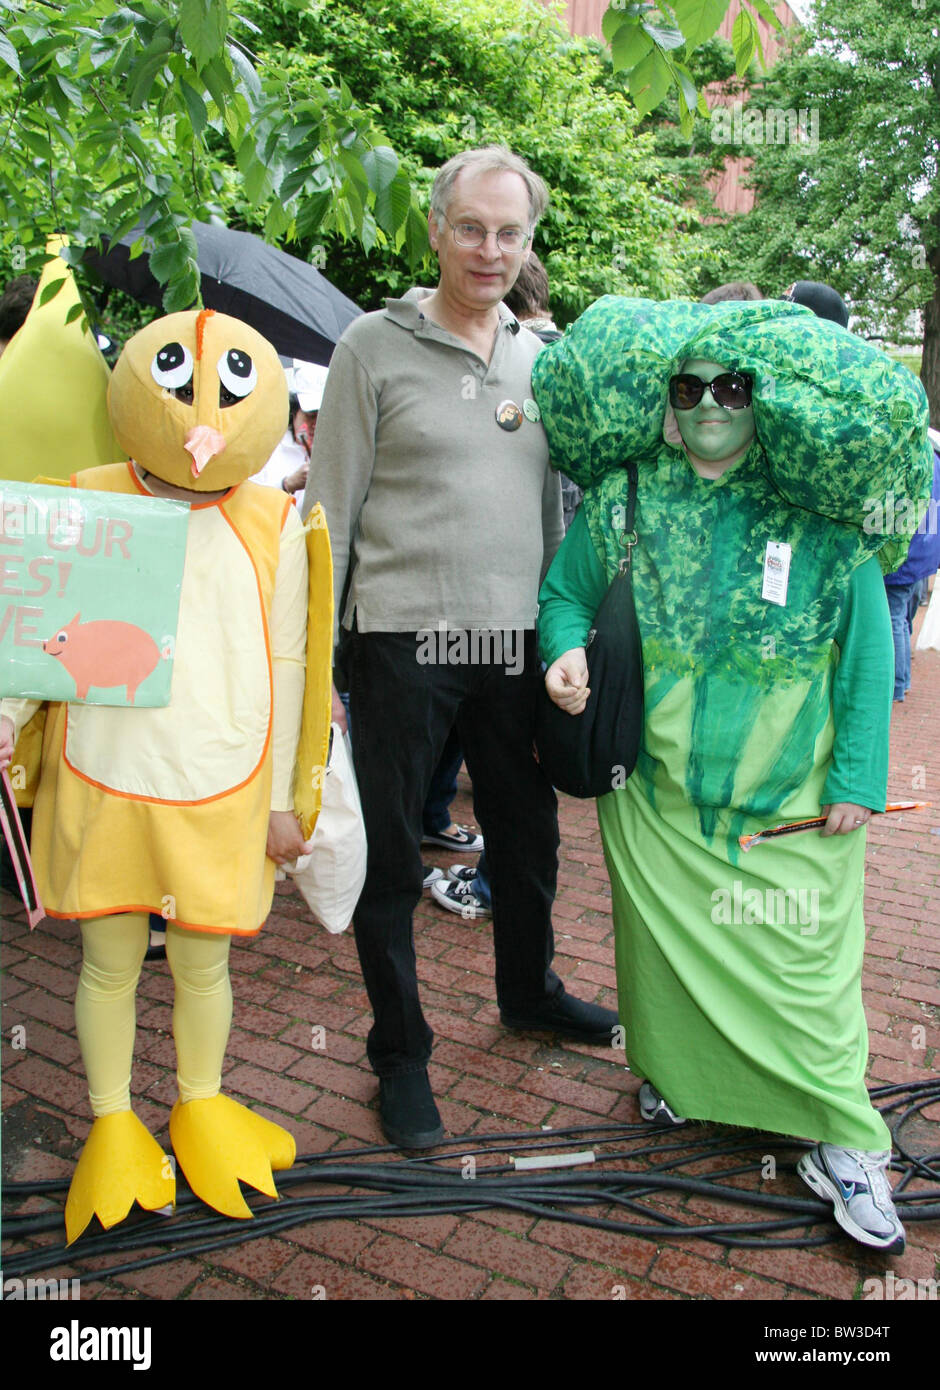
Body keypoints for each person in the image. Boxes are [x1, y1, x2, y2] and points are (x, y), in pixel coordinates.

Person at [533, 295, 931, 1252]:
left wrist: (858, 777)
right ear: (667, 400)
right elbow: (563, 592)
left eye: (731, 387)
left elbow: (866, 647)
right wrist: (561, 652)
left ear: (763, 400)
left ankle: (842, 1137)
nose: (709, 403)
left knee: (808, 972)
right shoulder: (629, 495)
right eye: (689, 387)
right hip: (659, 798)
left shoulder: (818, 511)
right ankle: (687, 1078)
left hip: (790, 806)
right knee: (665, 959)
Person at [301, 145, 617, 1150]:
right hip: (399, 638)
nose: (489, 249)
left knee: (527, 835)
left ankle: (528, 991)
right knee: (393, 853)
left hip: (512, 638)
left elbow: (551, 516)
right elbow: (328, 513)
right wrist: (319, 667)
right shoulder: (369, 346)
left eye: (508, 232)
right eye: (471, 227)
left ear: (528, 241)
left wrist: (564, 631)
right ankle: (398, 1054)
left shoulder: (539, 361)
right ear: (436, 230)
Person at [251, 360, 328, 495]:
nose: (316, 425)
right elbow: (247, 500)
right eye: (311, 415)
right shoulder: (268, 449)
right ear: (293, 412)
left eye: (323, 417)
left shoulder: (333, 453)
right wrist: (287, 484)